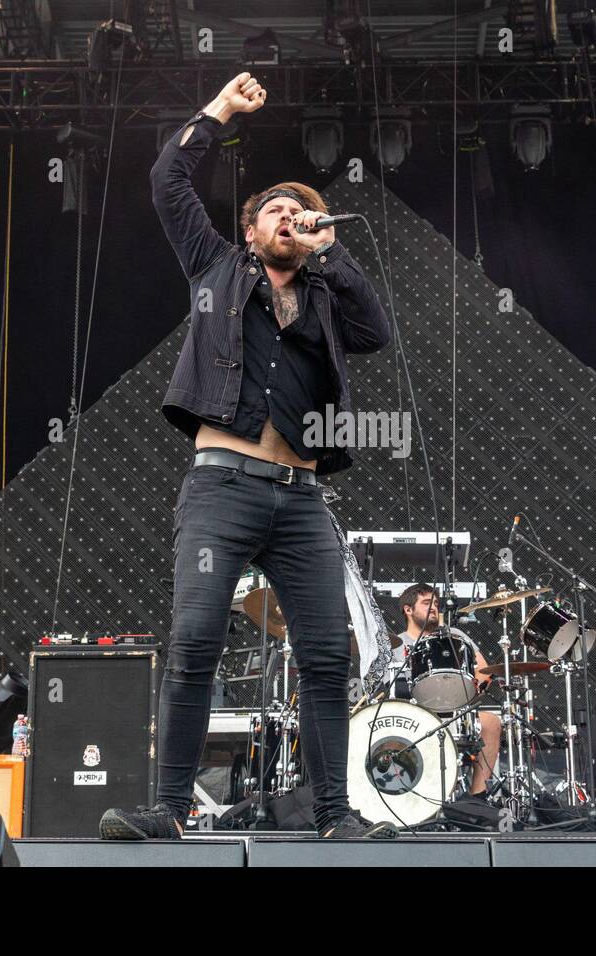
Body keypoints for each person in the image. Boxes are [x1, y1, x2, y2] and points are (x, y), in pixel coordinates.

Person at [100, 72, 394, 841]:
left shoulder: (326, 296)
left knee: (329, 655)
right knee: (196, 637)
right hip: (222, 486)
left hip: (301, 499)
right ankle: (167, 811)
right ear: (251, 226)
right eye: (277, 210)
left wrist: (330, 253)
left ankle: (336, 815)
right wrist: (219, 113)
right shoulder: (216, 266)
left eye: (303, 213)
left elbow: (377, 334)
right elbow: (167, 181)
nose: (290, 218)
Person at [388, 583, 502, 796]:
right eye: (426, 603)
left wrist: (470, 693)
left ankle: (477, 798)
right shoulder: (396, 644)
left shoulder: (454, 634)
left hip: (455, 710)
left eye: (436, 604)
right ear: (408, 609)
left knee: (491, 722)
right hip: (414, 713)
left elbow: (484, 670)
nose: (433, 607)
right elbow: (389, 689)